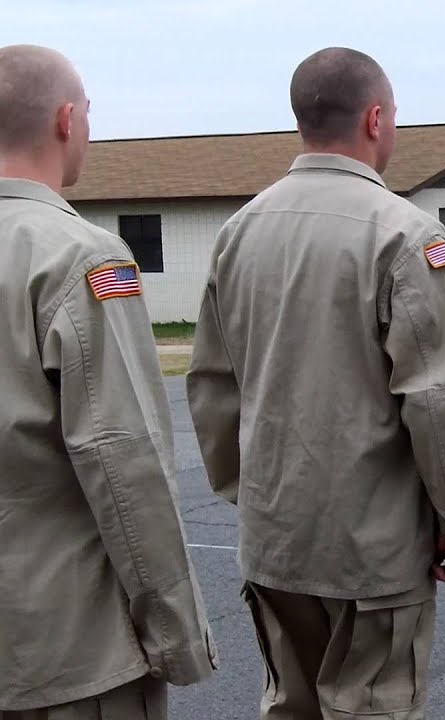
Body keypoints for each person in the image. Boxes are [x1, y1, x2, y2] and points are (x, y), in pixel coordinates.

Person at [187, 48, 445, 719]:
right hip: (372, 547)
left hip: (276, 537)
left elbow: (211, 386)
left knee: (291, 704)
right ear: (376, 118)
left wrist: (253, 495)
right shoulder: (404, 233)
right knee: (372, 705)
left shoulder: (240, 231)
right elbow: (439, 400)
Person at [0, 44, 216, 718]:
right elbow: (123, 460)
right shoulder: (78, 257)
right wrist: (177, 632)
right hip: (67, 645)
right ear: (66, 120)